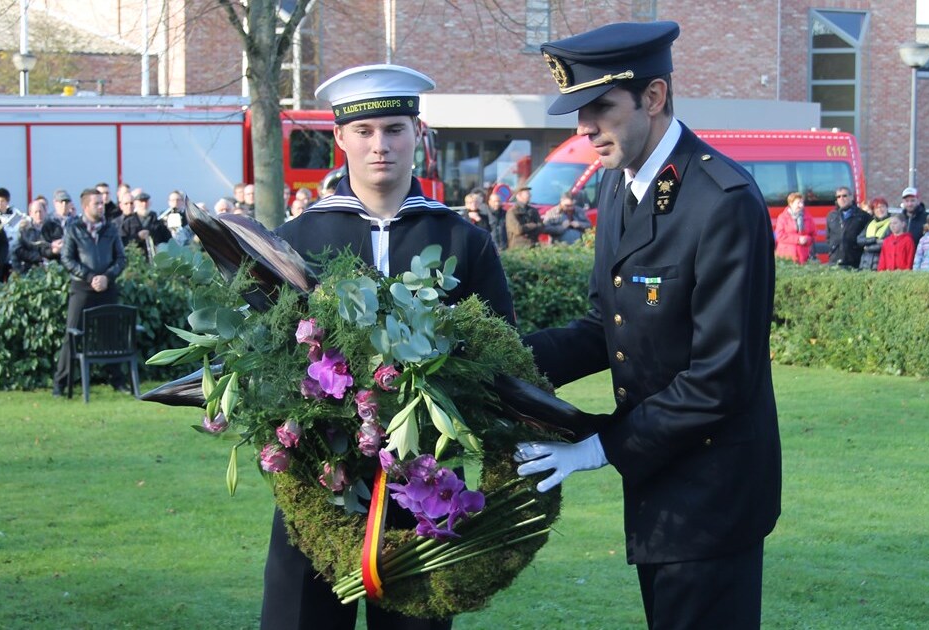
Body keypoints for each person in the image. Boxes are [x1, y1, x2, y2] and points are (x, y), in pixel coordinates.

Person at [513, 21, 780, 629]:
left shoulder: (723, 199)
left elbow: (720, 377)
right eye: (579, 110)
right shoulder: (620, 183)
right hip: (661, 482)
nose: (584, 128)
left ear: (654, 98)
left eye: (600, 108)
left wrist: (599, 447)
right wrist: (497, 361)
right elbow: (604, 326)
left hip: (715, 493)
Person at [264, 63, 515, 630]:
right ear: (341, 138)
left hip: (424, 487)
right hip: (317, 482)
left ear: (417, 134)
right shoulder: (295, 242)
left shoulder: (460, 239)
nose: (381, 145)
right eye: (365, 131)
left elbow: (502, 356)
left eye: (395, 129)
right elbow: (271, 365)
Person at [53, 188, 127, 396]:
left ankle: (117, 380)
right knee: (72, 334)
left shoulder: (111, 229)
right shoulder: (73, 229)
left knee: (111, 333)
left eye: (102, 203)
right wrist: (89, 277)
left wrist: (107, 277)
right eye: (97, 203)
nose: (102, 206)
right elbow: (67, 259)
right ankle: (61, 384)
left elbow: (121, 259)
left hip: (107, 287)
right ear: (86, 206)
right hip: (82, 288)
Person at [14, 199, 62, 273]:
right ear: (30, 213)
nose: (38, 214)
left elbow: (57, 247)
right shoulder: (24, 230)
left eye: (40, 211)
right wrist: (38, 258)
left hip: (51, 268)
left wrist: (53, 252)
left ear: (45, 212)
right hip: (30, 268)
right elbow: (19, 250)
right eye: (36, 212)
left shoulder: (53, 228)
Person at [774, 191, 816, 264]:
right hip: (786, 256)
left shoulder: (808, 217)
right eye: (798, 203)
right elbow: (779, 236)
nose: (801, 205)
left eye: (802, 203)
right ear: (791, 204)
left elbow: (813, 235)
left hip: (803, 256)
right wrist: (798, 239)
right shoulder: (782, 217)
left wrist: (807, 239)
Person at [825, 186, 857, 267]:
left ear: (851, 197)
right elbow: (828, 237)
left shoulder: (862, 216)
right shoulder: (831, 216)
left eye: (844, 196)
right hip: (835, 259)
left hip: (854, 260)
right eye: (838, 197)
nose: (841, 199)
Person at [856, 197, 891, 271]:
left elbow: (886, 243)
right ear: (873, 211)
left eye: (882, 207)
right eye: (877, 208)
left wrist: (867, 248)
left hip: (881, 264)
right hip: (865, 264)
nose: (880, 210)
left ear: (887, 208)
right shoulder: (870, 224)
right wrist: (875, 240)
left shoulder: (892, 223)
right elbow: (859, 240)